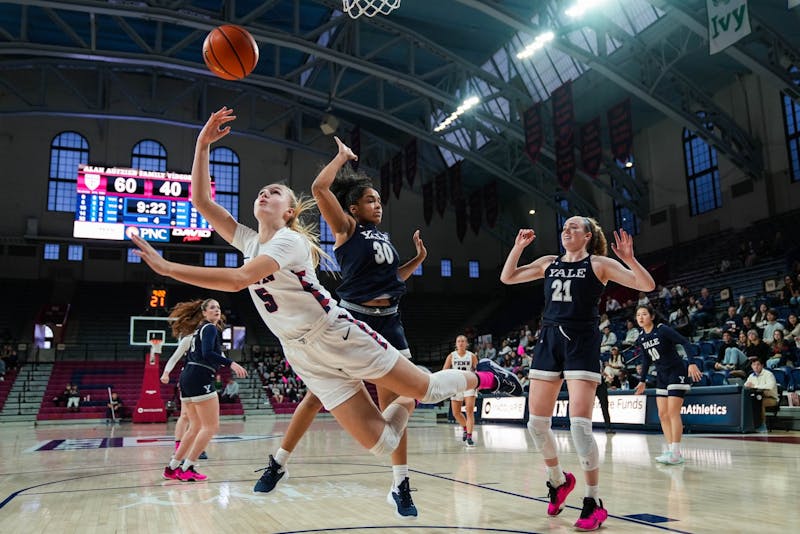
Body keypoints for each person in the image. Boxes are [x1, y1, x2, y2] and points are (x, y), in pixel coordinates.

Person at [132, 106, 520, 495]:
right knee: (383, 442)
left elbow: (238, 281)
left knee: (429, 390)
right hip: (301, 354)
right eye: (261, 192)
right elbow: (201, 201)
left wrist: (168, 268)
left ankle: (486, 375)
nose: (264, 193)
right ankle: (406, 403)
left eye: (275, 192)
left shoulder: (289, 240)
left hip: (334, 333)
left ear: (289, 211)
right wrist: (202, 145)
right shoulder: (251, 241)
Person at [253, 134, 430, 518]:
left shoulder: (382, 236)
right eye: (371, 200)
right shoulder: (346, 227)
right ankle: (278, 462)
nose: (378, 205)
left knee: (397, 401)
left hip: (391, 321)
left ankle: (400, 484)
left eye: (380, 201)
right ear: (353, 206)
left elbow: (392, 281)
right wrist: (342, 159)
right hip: (354, 319)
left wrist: (417, 259)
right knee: (316, 397)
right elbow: (319, 188)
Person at [500, 218, 656, 531]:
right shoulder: (548, 263)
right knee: (536, 424)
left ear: (587, 235)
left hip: (582, 342)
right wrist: (518, 248)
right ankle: (558, 481)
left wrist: (629, 259)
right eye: (564, 227)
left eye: (574, 227)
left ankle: (593, 500)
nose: (566, 230)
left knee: (580, 427)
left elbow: (646, 285)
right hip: (549, 340)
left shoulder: (598, 263)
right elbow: (508, 277)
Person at [160, 298, 248, 482]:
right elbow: (208, 354)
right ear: (204, 312)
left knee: (195, 427)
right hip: (199, 375)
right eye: (212, 307)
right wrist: (231, 363)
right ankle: (187, 467)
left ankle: (172, 468)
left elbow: (209, 353)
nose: (217, 310)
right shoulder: (209, 328)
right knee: (210, 427)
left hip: (187, 377)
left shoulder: (199, 330)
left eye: (218, 307)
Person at [633, 306, 702, 466]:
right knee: (663, 414)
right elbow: (646, 360)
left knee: (672, 412)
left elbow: (684, 342)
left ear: (652, 316)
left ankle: (676, 452)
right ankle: (671, 450)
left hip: (676, 371)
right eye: (638, 315)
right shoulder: (642, 337)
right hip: (662, 375)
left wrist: (691, 363)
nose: (640, 317)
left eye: (644, 314)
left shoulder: (662, 329)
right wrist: (642, 380)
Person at [161, 300, 217, 461]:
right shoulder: (189, 339)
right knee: (186, 416)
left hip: (202, 377)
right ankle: (179, 448)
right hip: (190, 378)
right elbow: (173, 358)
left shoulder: (208, 336)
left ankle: (197, 448)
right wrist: (166, 373)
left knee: (201, 420)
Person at [443, 335, 479, 447]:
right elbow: (444, 370)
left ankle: (469, 436)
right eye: (459, 341)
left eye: (463, 341)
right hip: (456, 385)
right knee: (456, 413)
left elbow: (478, 371)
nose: (461, 343)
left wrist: (479, 383)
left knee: (469, 411)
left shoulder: (471, 356)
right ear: (456, 344)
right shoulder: (451, 356)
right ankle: (465, 427)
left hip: (469, 384)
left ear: (466, 343)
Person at [744, 359, 779, 432]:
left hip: (771, 399)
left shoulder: (769, 374)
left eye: (758, 364)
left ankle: (762, 426)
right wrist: (747, 385)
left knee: (759, 402)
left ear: (762, 366)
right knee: (749, 402)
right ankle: (749, 425)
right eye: (754, 365)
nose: (756, 367)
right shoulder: (751, 376)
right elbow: (745, 386)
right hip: (757, 397)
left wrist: (754, 386)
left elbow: (770, 386)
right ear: (751, 366)